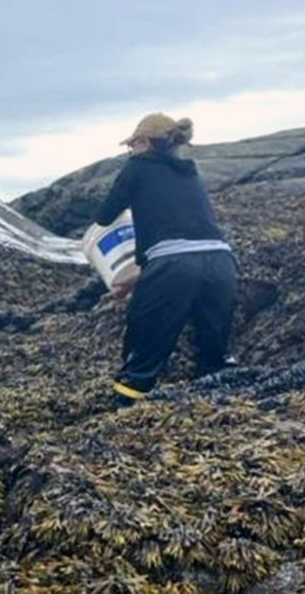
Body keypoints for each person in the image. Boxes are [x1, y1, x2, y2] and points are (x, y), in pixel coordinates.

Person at [95, 113, 238, 405]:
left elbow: (104, 216)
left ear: (144, 142)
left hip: (173, 267)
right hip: (222, 264)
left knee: (141, 359)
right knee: (213, 357)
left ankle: (122, 419)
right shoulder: (190, 170)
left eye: (131, 145)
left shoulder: (137, 167)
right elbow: (186, 241)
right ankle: (210, 416)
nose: (129, 151)